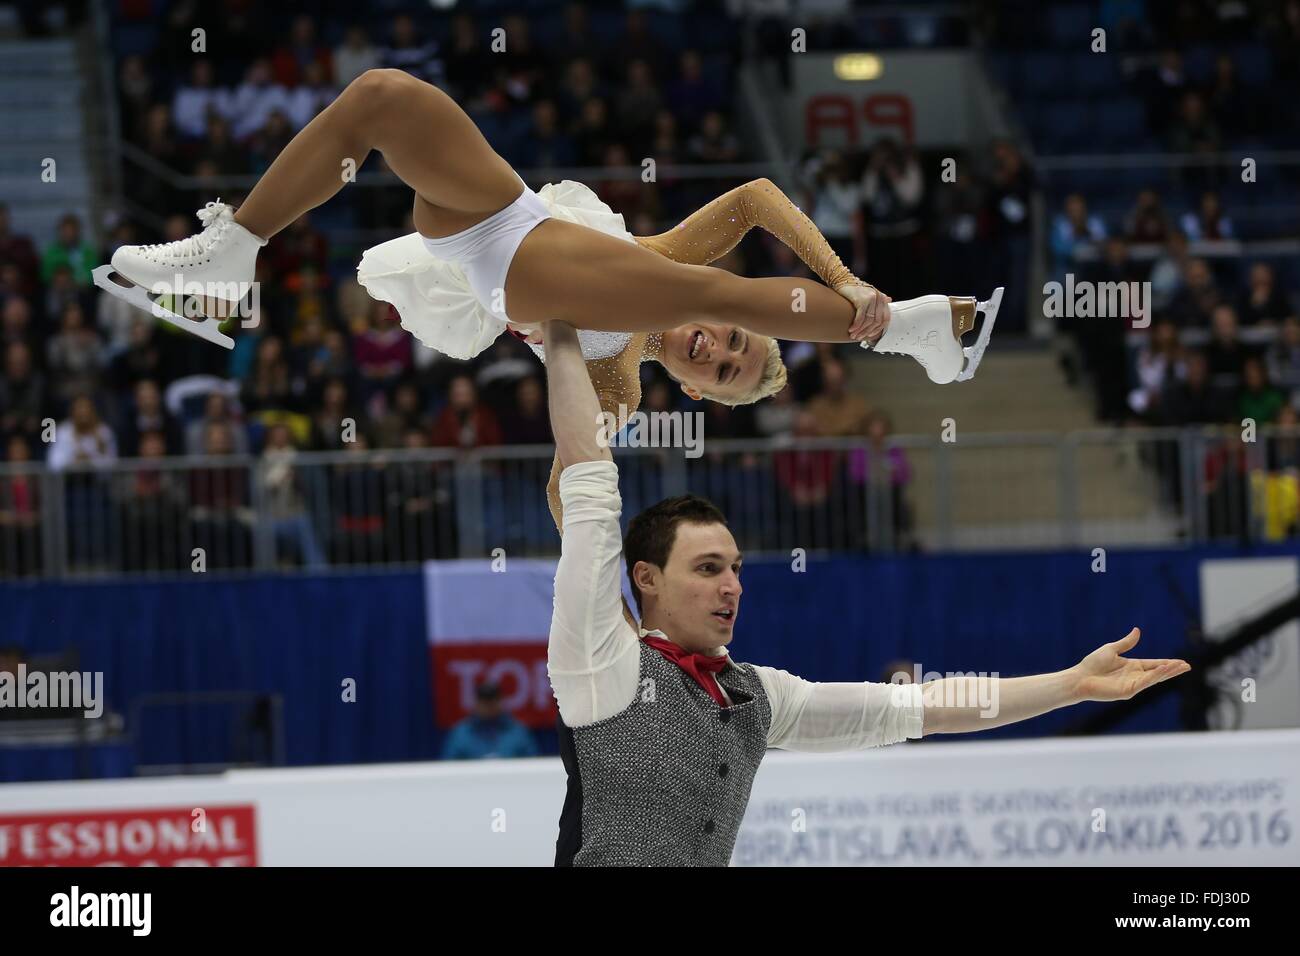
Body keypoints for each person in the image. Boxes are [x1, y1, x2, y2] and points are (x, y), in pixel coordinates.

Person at [540, 316, 1190, 866]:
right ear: (646, 580)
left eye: (736, 567)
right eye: (708, 568)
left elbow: (921, 708)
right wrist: (561, 326)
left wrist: (1070, 683)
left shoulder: (757, 697)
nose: (732, 585)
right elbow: (590, 490)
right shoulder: (603, 664)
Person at [99, 69, 999, 395]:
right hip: (497, 229)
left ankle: (912, 330)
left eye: (716, 368)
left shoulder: (618, 384)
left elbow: (575, 474)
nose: (712, 349)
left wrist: (588, 576)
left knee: (705, 285)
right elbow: (761, 195)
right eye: (735, 346)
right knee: (379, 100)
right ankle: (233, 251)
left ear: (694, 395)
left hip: (510, 271)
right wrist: (842, 273)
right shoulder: (667, 271)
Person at [440, 681, 538, 760]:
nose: (489, 705)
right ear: (477, 703)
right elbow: (448, 767)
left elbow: (534, 766)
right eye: (484, 701)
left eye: (493, 700)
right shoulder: (460, 734)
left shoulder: (518, 732)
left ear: (500, 701)